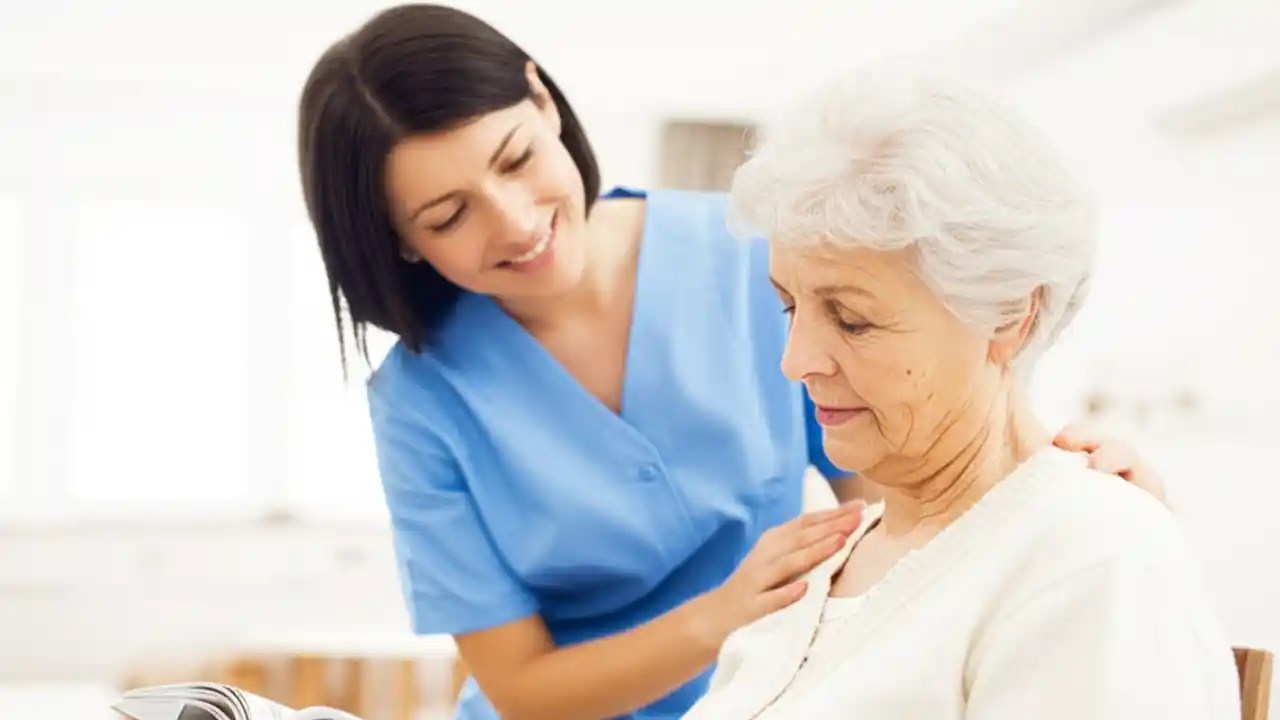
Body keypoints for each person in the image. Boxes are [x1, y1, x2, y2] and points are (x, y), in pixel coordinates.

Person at [295, 6, 1167, 719]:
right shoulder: (421, 398)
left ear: (543, 100)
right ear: (397, 243)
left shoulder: (762, 254)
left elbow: (918, 482)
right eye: (449, 215)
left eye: (517, 158)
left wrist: (1048, 491)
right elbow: (521, 687)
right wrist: (725, 615)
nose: (517, 220)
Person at [682, 64, 1239, 719]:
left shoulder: (1092, 558)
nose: (795, 361)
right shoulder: (816, 565)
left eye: (852, 320)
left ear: (1006, 313)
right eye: (788, 308)